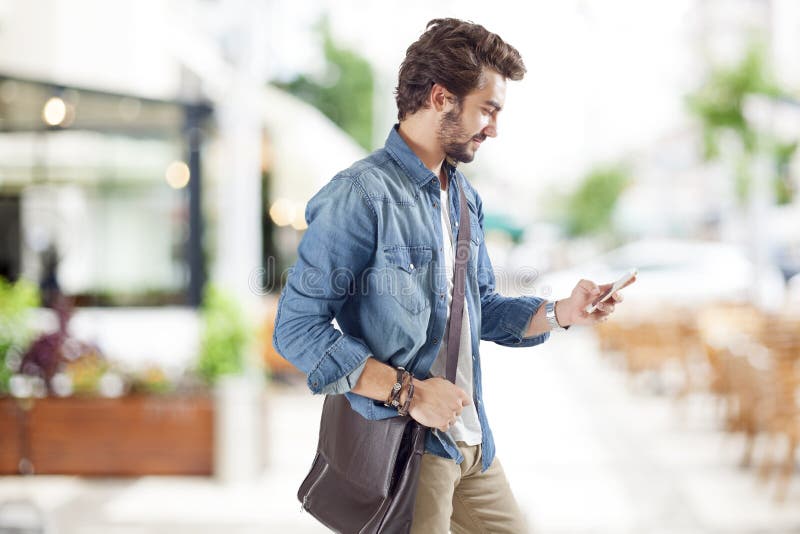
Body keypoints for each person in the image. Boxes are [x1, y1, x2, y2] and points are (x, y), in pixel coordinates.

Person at [273, 18, 633, 533]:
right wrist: (409, 392)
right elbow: (296, 329)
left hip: (471, 441)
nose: (494, 128)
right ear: (441, 97)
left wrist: (562, 312)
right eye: (487, 109)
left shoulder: (464, 197)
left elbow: (482, 308)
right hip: (408, 447)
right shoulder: (361, 194)